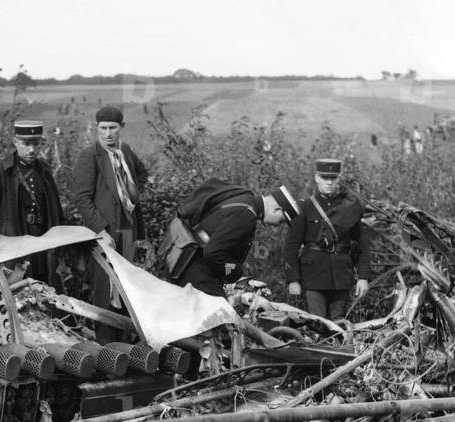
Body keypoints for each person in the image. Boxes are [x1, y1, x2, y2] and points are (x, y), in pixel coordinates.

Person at [71, 106, 150, 341]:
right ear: (97, 129)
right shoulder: (90, 156)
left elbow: (142, 174)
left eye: (112, 128)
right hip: (106, 234)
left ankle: (126, 345)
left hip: (127, 230)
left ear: (121, 128)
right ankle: (107, 349)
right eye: (103, 128)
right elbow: (81, 198)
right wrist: (100, 230)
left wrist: (130, 195)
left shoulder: (124, 150)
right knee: (105, 290)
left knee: (127, 288)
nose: (107, 133)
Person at [166, 179, 301, 297]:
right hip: (196, 270)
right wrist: (234, 271)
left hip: (187, 261)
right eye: (282, 220)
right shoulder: (246, 215)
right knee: (220, 319)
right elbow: (213, 252)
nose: (278, 225)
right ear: (276, 209)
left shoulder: (244, 198)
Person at [0, 120, 64, 285]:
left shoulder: (45, 171)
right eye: (26, 144)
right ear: (15, 142)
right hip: (14, 247)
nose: (31, 150)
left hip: (42, 243)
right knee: (19, 291)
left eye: (36, 144)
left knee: (44, 287)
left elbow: (55, 212)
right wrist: (5, 238)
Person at [284, 159, 372, 320]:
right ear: (317, 178)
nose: (329, 182)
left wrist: (363, 277)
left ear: (339, 179)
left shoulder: (349, 208)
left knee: (339, 324)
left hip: (341, 276)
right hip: (313, 276)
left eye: (333, 178)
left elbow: (362, 245)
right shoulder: (304, 206)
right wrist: (293, 280)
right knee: (318, 323)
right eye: (325, 178)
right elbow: (291, 246)